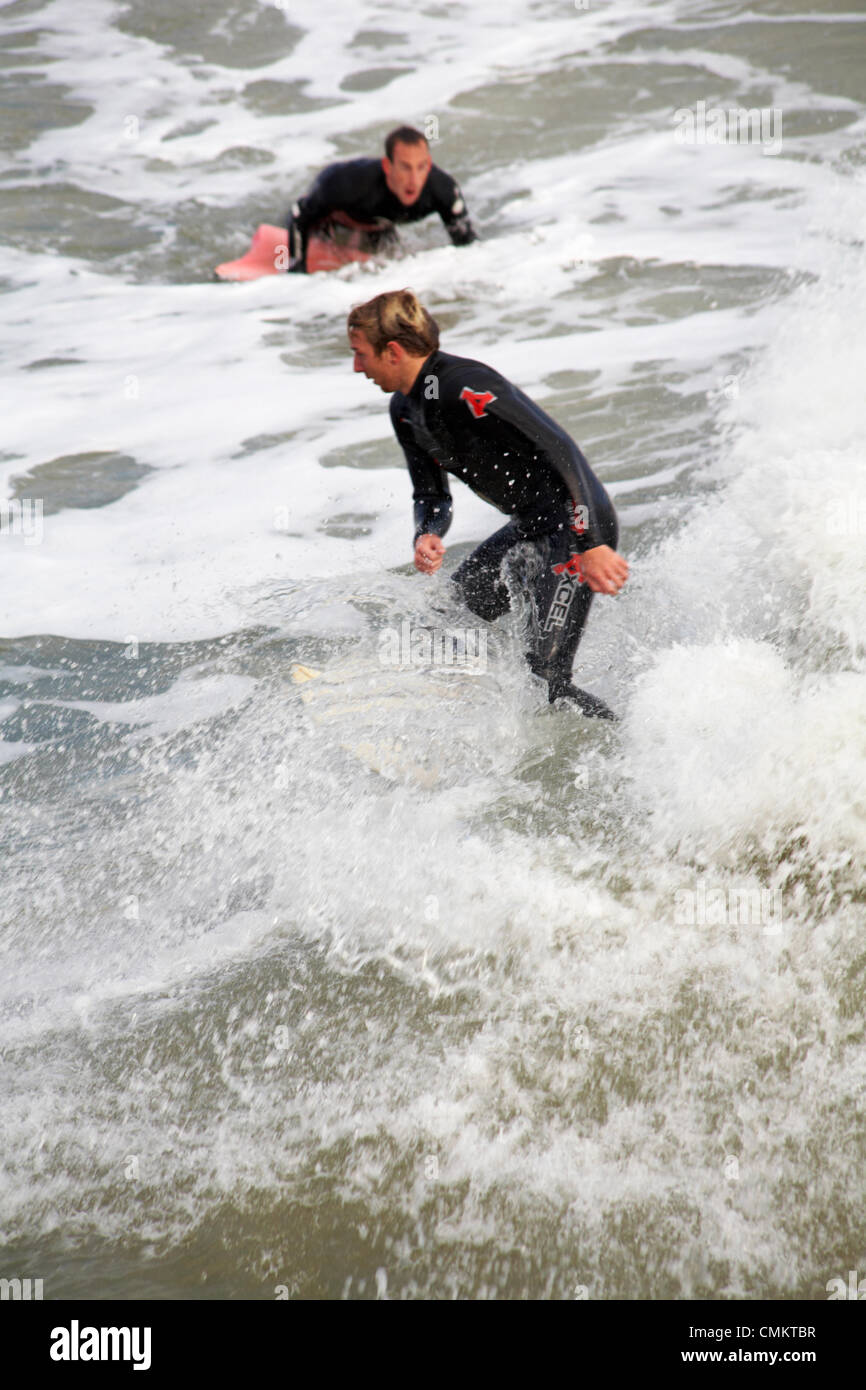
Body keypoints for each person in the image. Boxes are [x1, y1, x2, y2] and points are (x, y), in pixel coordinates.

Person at [347, 289, 629, 718]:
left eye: (359, 354)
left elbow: (560, 450)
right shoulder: (404, 409)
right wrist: (428, 531)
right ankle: (457, 718)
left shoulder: (464, 385)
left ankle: (624, 746)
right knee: (446, 623)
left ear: (392, 351)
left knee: (546, 681)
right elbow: (431, 493)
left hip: (573, 525)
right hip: (533, 525)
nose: (356, 366)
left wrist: (589, 541)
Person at [285, 126, 477, 273]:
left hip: (379, 225)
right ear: (387, 166)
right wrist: (297, 269)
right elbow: (298, 214)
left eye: (421, 167)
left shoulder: (443, 191)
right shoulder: (347, 185)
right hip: (336, 218)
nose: (414, 180)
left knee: (388, 261)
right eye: (405, 167)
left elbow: (468, 246)